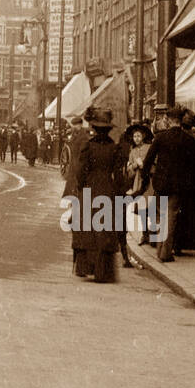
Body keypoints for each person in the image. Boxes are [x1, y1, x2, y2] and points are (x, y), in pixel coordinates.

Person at [68, 107, 126, 283]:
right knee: (104, 229)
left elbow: (80, 171)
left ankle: (85, 267)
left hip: (90, 188)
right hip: (107, 189)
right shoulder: (114, 148)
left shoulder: (88, 146)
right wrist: (118, 192)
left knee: (87, 228)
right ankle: (103, 271)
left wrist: (82, 185)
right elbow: (118, 174)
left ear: (94, 128)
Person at [141, 107, 195, 262]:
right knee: (171, 216)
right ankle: (165, 252)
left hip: (161, 183)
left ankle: (160, 249)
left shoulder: (161, 137)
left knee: (161, 216)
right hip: (178, 185)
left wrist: (146, 177)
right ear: (180, 121)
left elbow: (148, 159)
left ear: (169, 120)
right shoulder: (189, 139)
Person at [121, 121, 153, 266]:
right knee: (141, 208)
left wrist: (145, 165)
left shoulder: (149, 148)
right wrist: (134, 165)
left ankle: (152, 235)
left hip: (149, 181)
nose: (137, 139)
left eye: (139, 136)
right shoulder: (132, 151)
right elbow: (128, 171)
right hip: (138, 182)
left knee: (150, 207)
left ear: (143, 136)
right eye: (135, 137)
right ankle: (144, 234)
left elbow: (154, 162)